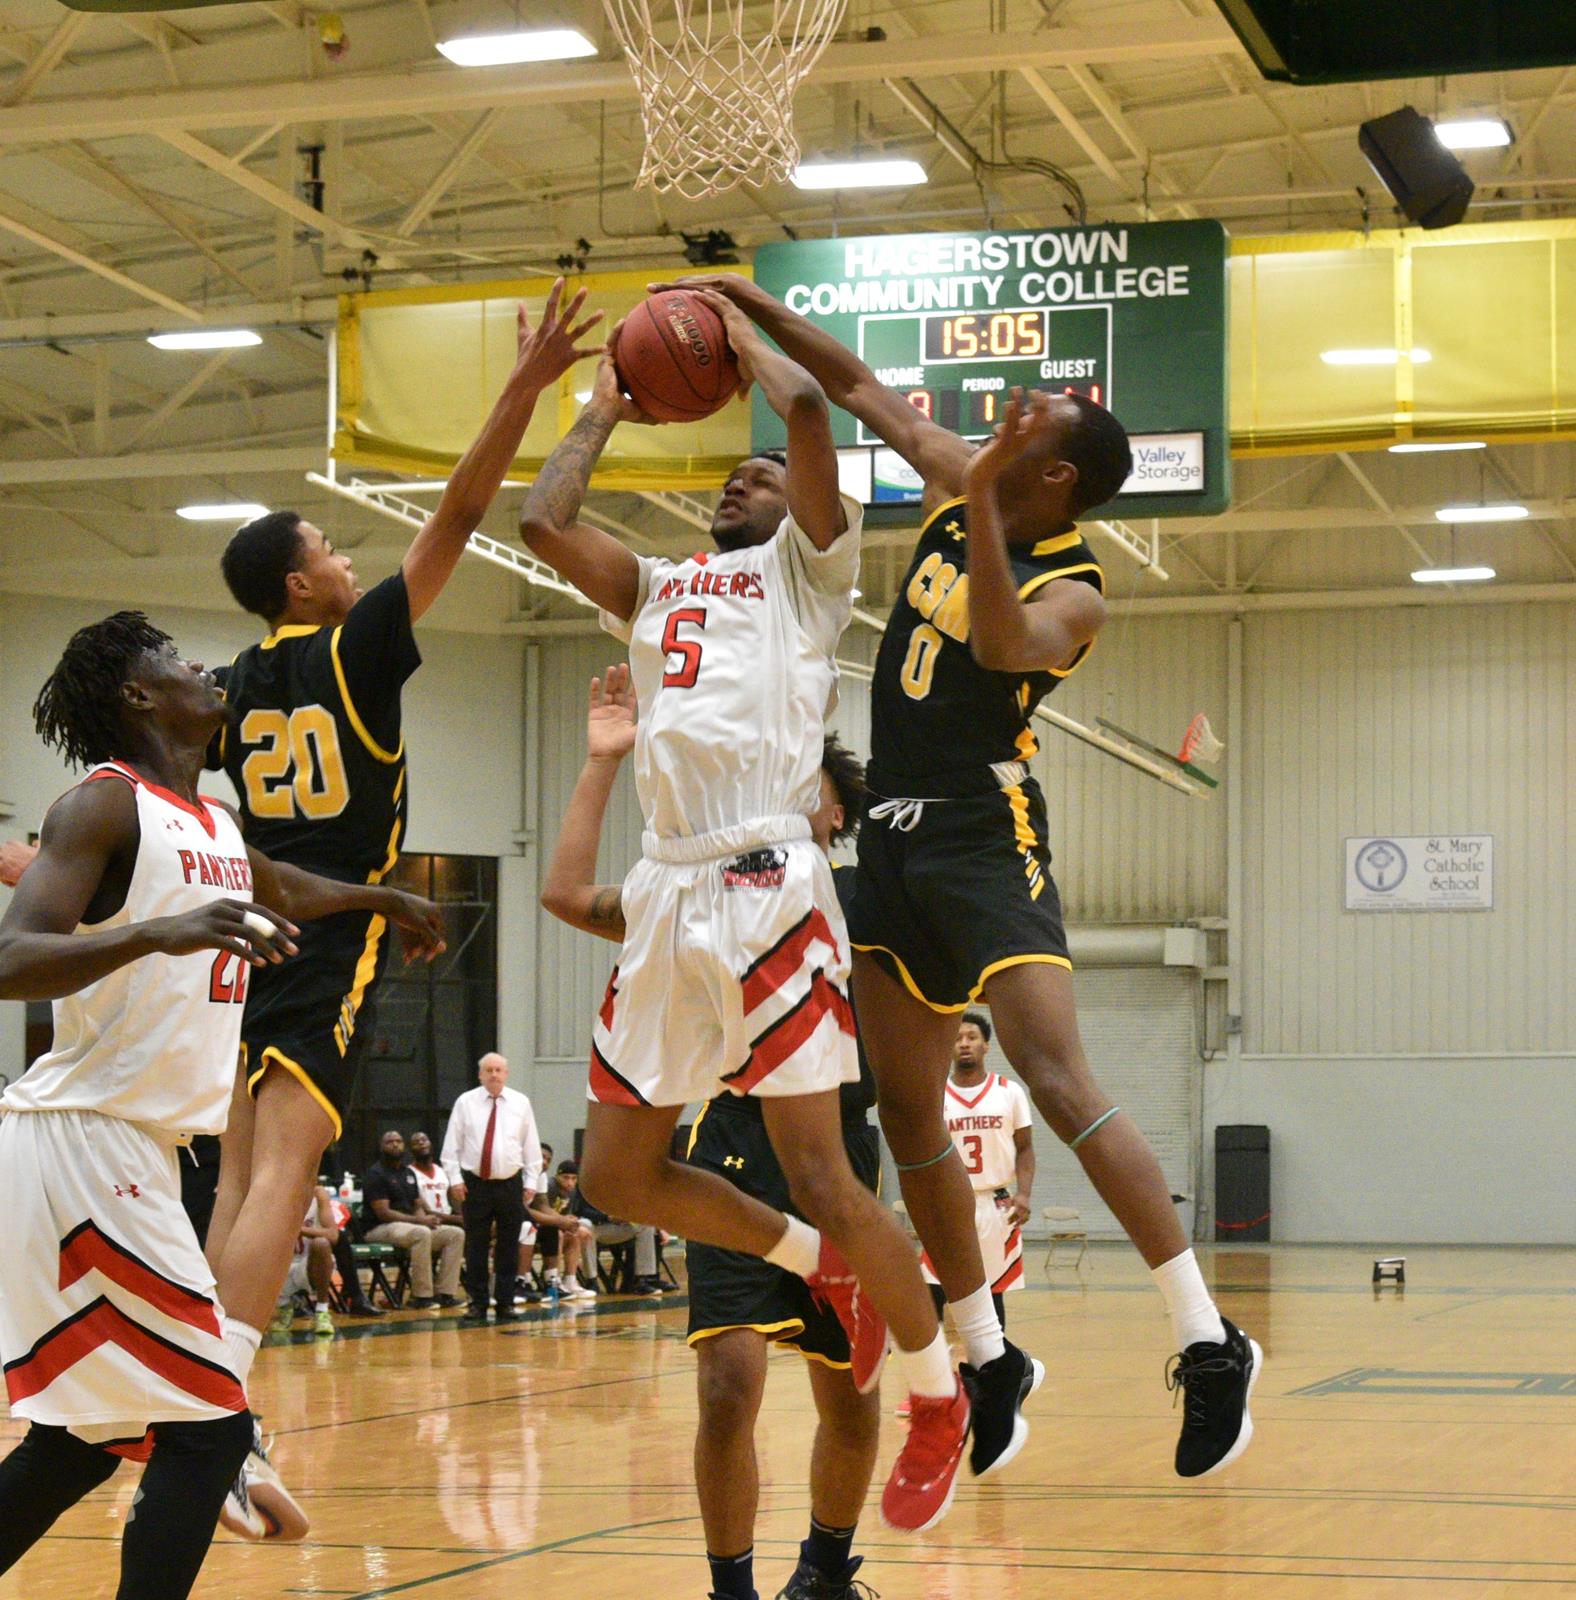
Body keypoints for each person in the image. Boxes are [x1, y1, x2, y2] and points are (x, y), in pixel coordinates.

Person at [669, 271, 1262, 1482]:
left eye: (1032, 417)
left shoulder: (1073, 585)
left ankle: (1206, 1340)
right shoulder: (964, 474)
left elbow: (998, 645)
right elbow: (852, 385)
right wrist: (744, 311)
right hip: (885, 825)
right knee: (903, 1106)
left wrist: (980, 495)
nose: (1012, 408)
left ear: (1053, 476)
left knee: (1051, 1070)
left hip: (986, 829)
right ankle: (989, 1354)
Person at [521, 293, 972, 1534]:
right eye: (728, 472)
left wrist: (729, 334)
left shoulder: (808, 573)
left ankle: (939, 1398)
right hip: (668, 881)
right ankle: (814, 1266)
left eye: (760, 473)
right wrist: (605, 403)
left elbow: (815, 407)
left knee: (824, 1167)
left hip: (770, 879)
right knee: (616, 1171)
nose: (740, 480)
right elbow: (543, 520)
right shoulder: (658, 584)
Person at [201, 282, 600, 1526]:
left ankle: (199, 1399)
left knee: (232, 1176)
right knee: (285, 1171)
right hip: (333, 936)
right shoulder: (353, 646)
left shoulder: (226, 690)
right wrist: (522, 392)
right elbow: (463, 511)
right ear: (304, 587)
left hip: (246, 936)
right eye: (327, 544)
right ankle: (221, 1402)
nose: (345, 553)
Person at [0, 612, 443, 1595]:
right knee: (210, 1433)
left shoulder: (216, 823)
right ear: (138, 695)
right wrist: (159, 931)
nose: (203, 667)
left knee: (79, 1447)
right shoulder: (100, 807)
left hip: (138, 1154)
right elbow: (10, 958)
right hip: (82, 1144)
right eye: (174, 658)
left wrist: (383, 900)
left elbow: (278, 882)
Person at [541, 665, 884, 1600]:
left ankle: (823, 1573)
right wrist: (604, 760)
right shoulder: (706, 891)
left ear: (836, 816)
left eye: (803, 782)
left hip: (840, 1154)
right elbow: (566, 893)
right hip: (733, 1157)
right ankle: (729, 1588)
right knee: (727, 1392)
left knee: (848, 1396)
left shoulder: (863, 898)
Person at [922, 1014, 1034, 1335]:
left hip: (995, 1203)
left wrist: (1024, 1193)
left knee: (993, 1292)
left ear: (986, 1045)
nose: (964, 1044)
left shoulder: (1009, 1092)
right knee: (933, 1287)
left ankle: (997, 1368)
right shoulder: (935, 1095)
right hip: (948, 1204)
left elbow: (1025, 1148)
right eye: (957, 1039)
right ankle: (938, 1370)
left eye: (971, 1037)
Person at [441, 1053, 543, 1323]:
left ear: (506, 1074)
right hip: (475, 1183)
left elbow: (531, 1145)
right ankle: (477, 1302)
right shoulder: (466, 1102)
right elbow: (452, 1145)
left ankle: (506, 1303)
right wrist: (455, 1179)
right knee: (476, 1244)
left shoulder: (521, 1102)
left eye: (498, 1070)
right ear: (480, 1075)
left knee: (509, 1245)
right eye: (489, 1070)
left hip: (510, 1183)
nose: (494, 1075)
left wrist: (531, 1182)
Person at [360, 1130, 466, 1308]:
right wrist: (420, 1222)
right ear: (381, 1147)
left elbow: (417, 1204)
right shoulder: (375, 1174)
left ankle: (445, 1294)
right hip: (379, 1228)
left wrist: (428, 1220)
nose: (395, 1144)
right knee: (421, 1232)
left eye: (399, 1141)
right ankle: (421, 1297)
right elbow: (383, 1213)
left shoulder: (407, 1173)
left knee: (455, 1234)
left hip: (408, 1227)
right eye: (390, 1142)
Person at [527, 1160, 597, 1300]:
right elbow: (540, 1211)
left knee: (574, 1235)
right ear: (557, 1176)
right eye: (566, 1178)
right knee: (558, 1233)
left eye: (573, 1178)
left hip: (554, 1226)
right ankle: (553, 1281)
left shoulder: (572, 1192)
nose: (570, 1182)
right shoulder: (549, 1187)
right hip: (538, 1227)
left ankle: (570, 1280)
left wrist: (571, 1224)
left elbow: (565, 1216)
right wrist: (564, 1223)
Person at [276, 1184, 339, 1337]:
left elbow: (333, 1235)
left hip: (307, 1264)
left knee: (322, 1243)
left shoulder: (318, 1194)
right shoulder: (273, 1194)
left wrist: (297, 1229)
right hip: (278, 1267)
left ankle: (322, 1311)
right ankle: (283, 1307)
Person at [408, 1130, 455, 1217]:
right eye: (416, 1142)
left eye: (424, 1140)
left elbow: (452, 1199)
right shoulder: (408, 1174)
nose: (421, 1143)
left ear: (431, 1144)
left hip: (448, 1218)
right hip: (426, 1220)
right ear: (411, 1150)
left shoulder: (442, 1171)